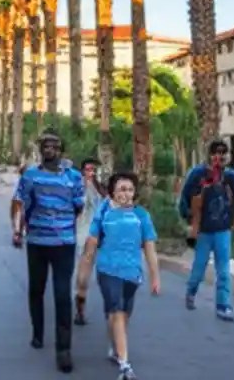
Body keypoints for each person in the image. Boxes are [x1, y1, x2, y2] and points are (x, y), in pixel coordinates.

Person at [12, 131, 85, 374]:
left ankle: (63, 349)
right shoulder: (31, 175)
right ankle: (37, 332)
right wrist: (20, 231)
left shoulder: (74, 177)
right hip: (37, 241)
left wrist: (61, 224)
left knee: (62, 294)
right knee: (36, 289)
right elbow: (23, 203)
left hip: (64, 242)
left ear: (61, 150)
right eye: (46, 146)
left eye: (54, 146)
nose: (50, 149)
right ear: (40, 149)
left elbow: (78, 206)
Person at [76, 173, 161, 380]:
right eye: (122, 189)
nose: (126, 194)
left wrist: (155, 276)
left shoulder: (142, 216)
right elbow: (92, 244)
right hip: (108, 270)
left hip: (132, 273)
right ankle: (124, 364)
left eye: (130, 190)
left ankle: (115, 347)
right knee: (118, 311)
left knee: (123, 314)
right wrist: (83, 276)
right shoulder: (103, 213)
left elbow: (150, 248)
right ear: (113, 192)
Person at [179, 139, 234, 322]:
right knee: (199, 268)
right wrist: (187, 216)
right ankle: (191, 291)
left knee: (223, 269)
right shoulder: (198, 174)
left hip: (223, 229)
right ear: (210, 155)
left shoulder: (232, 177)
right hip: (203, 230)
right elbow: (186, 196)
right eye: (217, 152)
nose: (220, 156)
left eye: (224, 152)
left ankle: (223, 305)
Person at [74, 157, 107, 326]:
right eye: (87, 169)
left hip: (93, 234)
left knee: (85, 272)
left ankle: (80, 306)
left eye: (93, 170)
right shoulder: (76, 187)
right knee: (81, 272)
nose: (90, 173)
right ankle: (79, 303)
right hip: (77, 233)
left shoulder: (100, 190)